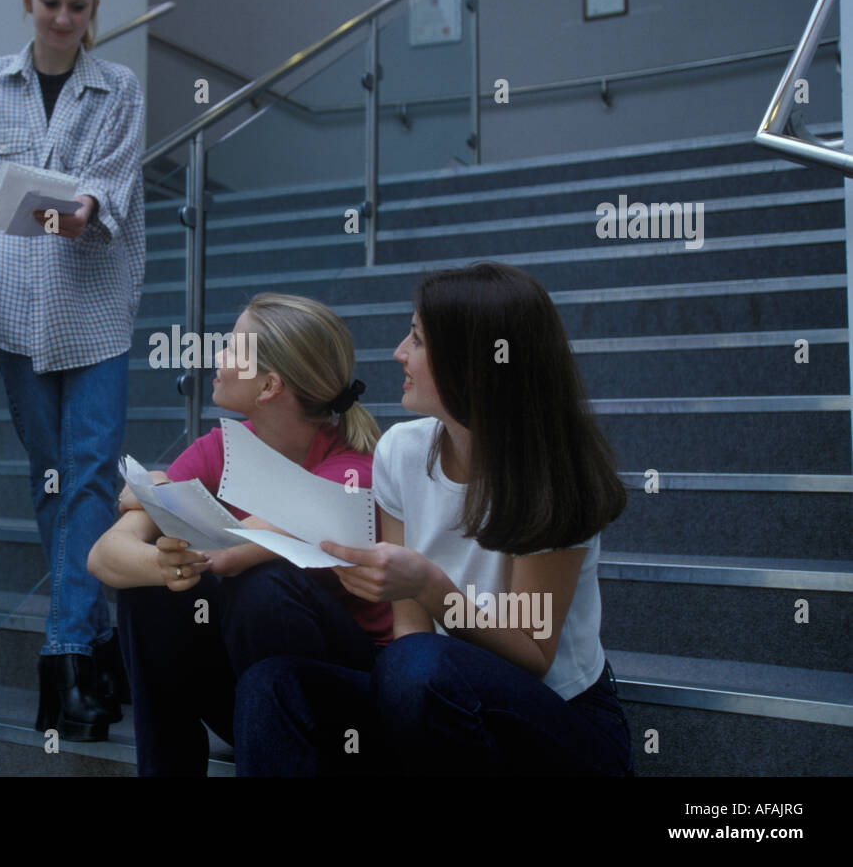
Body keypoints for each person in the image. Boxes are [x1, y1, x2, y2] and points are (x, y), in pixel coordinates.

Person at [233, 263, 635, 777]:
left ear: (475, 362)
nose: (399, 351)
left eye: (418, 340)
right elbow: (409, 631)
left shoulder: (552, 475)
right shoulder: (402, 450)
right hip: (436, 696)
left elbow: (534, 655)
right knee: (272, 686)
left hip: (560, 722)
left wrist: (429, 586)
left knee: (419, 667)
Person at [0, 0, 146, 742]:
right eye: (50, 1)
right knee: (54, 478)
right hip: (13, 313)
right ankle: (97, 643)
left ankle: (59, 658)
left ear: (95, 12)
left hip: (94, 308)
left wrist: (83, 207)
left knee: (92, 471)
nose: (63, 17)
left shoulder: (117, 88)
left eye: (78, 5)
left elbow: (110, 189)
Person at [88, 293, 393, 775]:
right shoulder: (223, 448)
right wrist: (160, 551)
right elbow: (105, 556)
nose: (217, 358)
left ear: (270, 384)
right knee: (155, 589)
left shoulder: (352, 474)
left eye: (232, 349)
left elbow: (227, 551)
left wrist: (155, 493)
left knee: (264, 584)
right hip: (245, 692)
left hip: (343, 703)